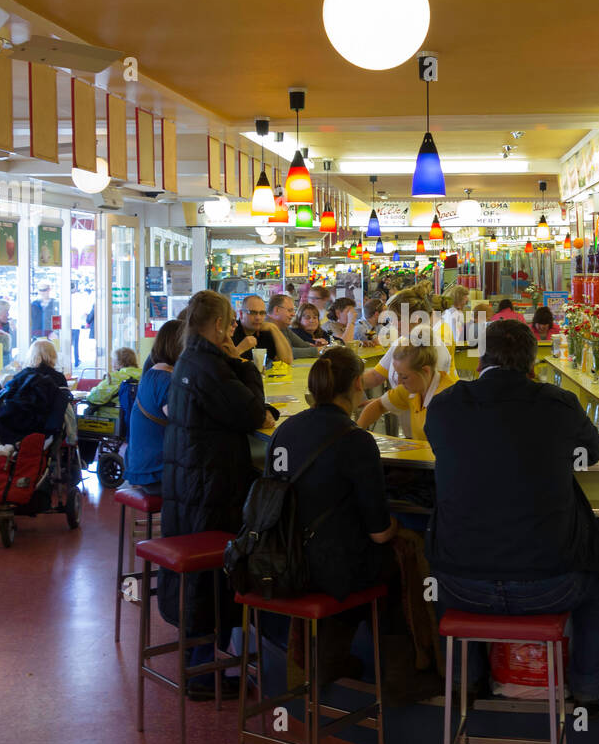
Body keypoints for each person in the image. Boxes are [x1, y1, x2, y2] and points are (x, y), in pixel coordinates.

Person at [424, 319, 599, 712]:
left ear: (480, 361)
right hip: (549, 583)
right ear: (534, 363)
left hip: (459, 583)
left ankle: (464, 683)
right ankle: (591, 691)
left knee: (445, 584)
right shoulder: (558, 404)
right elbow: (591, 453)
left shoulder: (444, 405)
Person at [162, 290, 276, 699]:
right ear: (216, 327)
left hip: (191, 481)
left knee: (203, 581)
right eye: (230, 324)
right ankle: (202, 673)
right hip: (210, 485)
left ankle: (201, 664)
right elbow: (250, 411)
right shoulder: (210, 366)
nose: (234, 330)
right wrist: (243, 363)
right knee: (212, 575)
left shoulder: (190, 360)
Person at [267, 347, 397, 600]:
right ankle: (388, 638)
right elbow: (379, 533)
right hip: (331, 570)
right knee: (405, 550)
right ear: (359, 383)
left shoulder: (284, 430)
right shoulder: (356, 440)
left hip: (279, 558)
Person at [357, 327, 458, 442]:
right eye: (397, 375)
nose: (399, 382)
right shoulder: (412, 388)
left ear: (425, 371)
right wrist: (355, 433)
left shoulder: (448, 399)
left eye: (404, 376)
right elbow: (377, 406)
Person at [362, 287, 456, 391]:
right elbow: (376, 376)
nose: (393, 324)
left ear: (415, 318)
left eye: (397, 319)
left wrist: (383, 403)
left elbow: (417, 394)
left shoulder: (434, 349)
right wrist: (349, 384)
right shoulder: (401, 342)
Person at [126, 320, 182, 494]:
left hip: (141, 466)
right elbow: (182, 422)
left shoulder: (153, 373)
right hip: (155, 473)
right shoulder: (167, 381)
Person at [0, 339, 74, 445]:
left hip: (15, 424)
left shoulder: (22, 376)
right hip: (44, 427)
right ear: (53, 355)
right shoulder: (58, 378)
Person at [232, 294, 294, 366]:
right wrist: (241, 348)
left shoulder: (265, 332)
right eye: (253, 313)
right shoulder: (231, 330)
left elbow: (287, 361)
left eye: (262, 313)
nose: (258, 317)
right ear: (241, 314)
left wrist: (274, 328)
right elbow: (222, 365)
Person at [85, 347, 142, 423]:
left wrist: (90, 392)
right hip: (138, 420)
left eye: (113, 360)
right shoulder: (145, 375)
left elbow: (95, 397)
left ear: (120, 363)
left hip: (114, 420)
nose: (112, 363)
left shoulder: (116, 377)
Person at [265, 293, 320, 359]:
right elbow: (287, 353)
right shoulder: (266, 328)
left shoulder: (283, 326)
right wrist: (318, 351)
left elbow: (302, 345)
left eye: (293, 310)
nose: (293, 314)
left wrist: (317, 347)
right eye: (290, 310)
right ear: (277, 310)